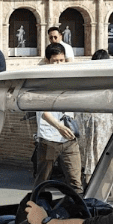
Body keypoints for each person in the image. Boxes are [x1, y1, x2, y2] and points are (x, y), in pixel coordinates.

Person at [33, 43, 82, 193]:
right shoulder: (41, 81)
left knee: (75, 182)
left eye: (62, 60)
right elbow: (43, 111)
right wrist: (59, 127)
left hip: (70, 138)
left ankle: (78, 213)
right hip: (49, 138)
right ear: (48, 61)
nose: (59, 64)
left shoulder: (70, 78)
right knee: (43, 181)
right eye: (55, 61)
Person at [79, 50, 113, 199]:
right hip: (100, 118)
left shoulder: (87, 76)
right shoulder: (108, 76)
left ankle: (91, 194)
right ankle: (102, 194)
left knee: (91, 157)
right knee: (103, 155)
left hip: (87, 118)